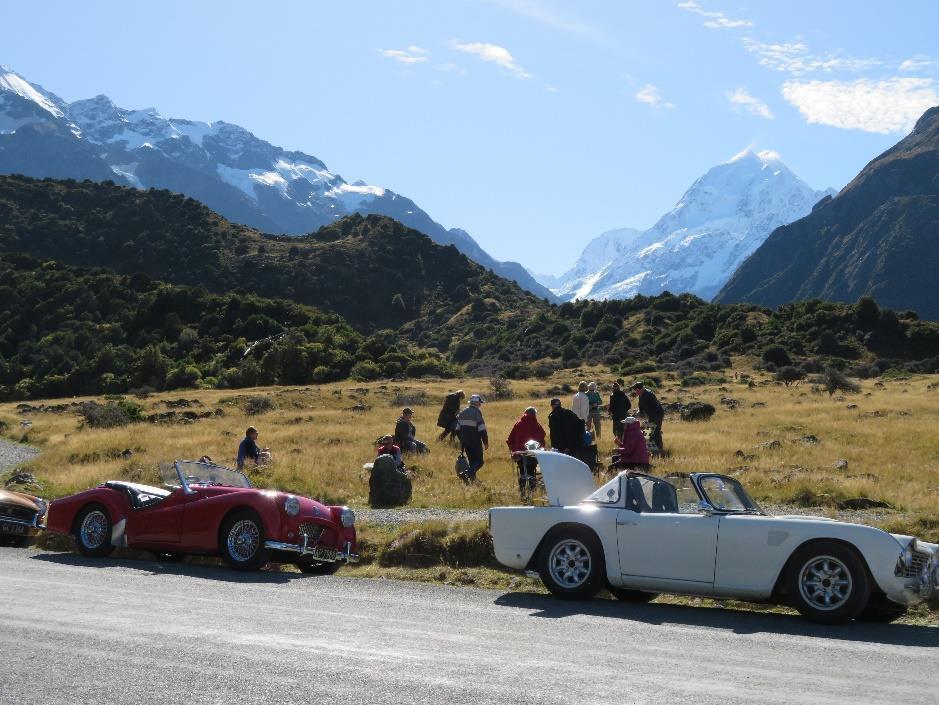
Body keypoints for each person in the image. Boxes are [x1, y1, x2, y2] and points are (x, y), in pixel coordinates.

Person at [506, 407, 546, 499]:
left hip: (519, 454)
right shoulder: (536, 425)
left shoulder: (518, 424)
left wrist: (513, 449)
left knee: (522, 472)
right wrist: (541, 449)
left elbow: (509, 440)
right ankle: (532, 492)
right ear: (534, 414)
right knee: (532, 471)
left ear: (525, 413)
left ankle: (522, 493)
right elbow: (541, 438)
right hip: (532, 454)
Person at [457, 394, 489, 479]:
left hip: (465, 442)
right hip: (475, 442)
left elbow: (457, 429)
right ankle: (466, 473)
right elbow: (482, 429)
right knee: (479, 462)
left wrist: (462, 440)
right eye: (480, 403)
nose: (480, 405)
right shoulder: (477, 412)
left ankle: (472, 480)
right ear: (477, 403)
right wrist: (486, 442)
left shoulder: (462, 412)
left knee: (471, 462)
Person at [632, 382, 665, 451]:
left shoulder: (649, 394)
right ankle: (653, 450)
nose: (635, 392)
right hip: (651, 416)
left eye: (636, 390)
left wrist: (650, 421)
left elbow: (655, 408)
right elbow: (641, 407)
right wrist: (637, 414)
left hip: (657, 415)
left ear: (641, 389)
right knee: (648, 434)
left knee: (654, 432)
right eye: (635, 390)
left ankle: (658, 449)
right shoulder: (641, 395)